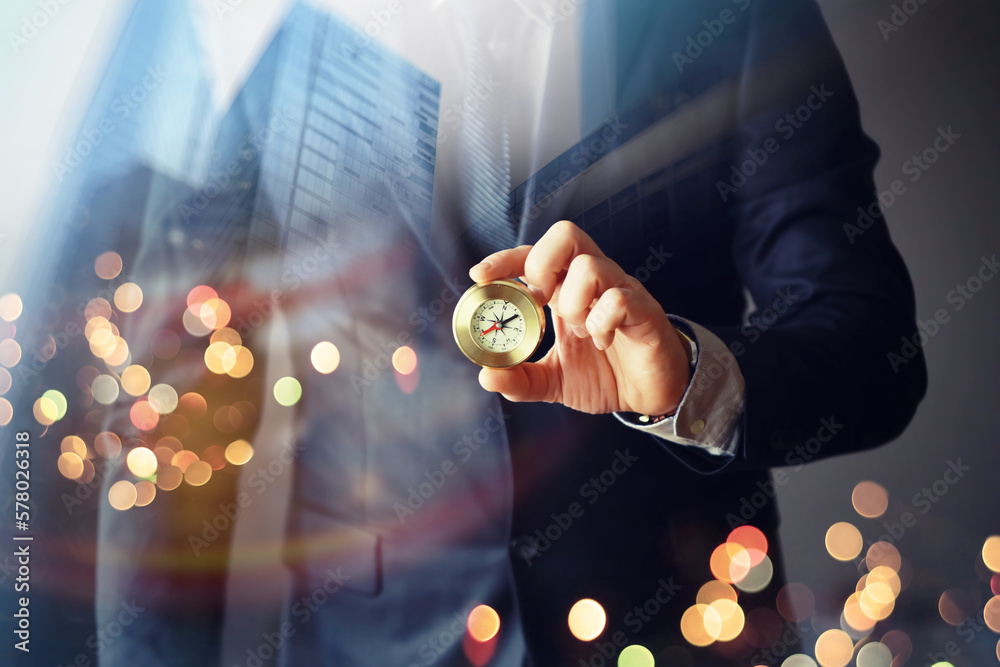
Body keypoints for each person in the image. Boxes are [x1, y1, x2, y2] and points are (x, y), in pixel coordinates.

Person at [51, 0, 925, 665]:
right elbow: (165, 417)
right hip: (374, 638)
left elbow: (871, 345)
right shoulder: (287, 39)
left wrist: (687, 381)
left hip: (674, 622)